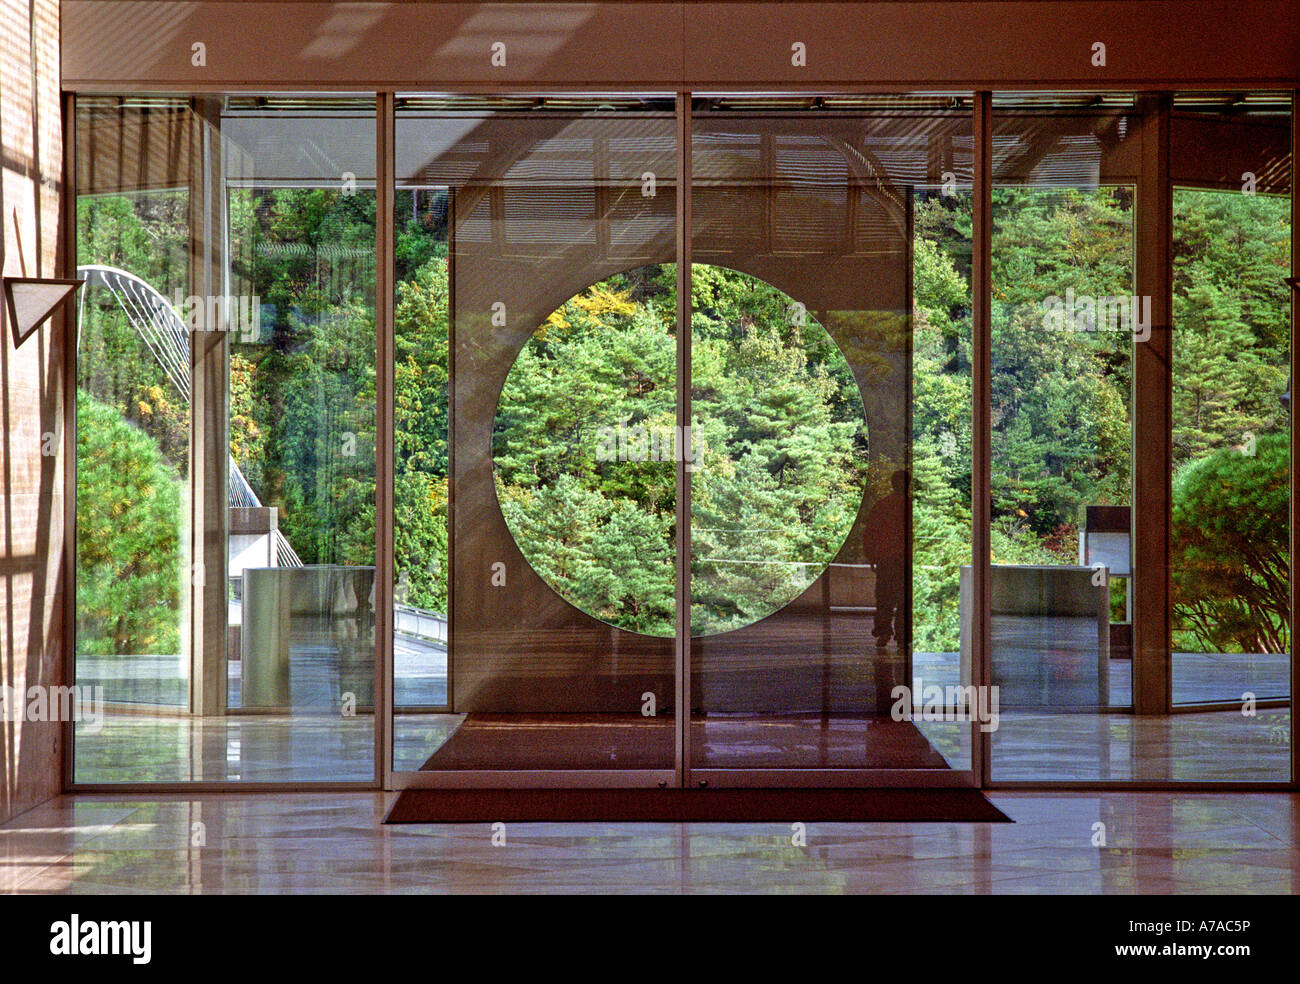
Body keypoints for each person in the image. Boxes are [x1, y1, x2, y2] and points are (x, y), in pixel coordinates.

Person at [862, 469, 909, 650]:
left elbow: (871, 533)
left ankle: (883, 632)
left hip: (886, 559)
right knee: (904, 600)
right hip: (905, 560)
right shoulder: (910, 506)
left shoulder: (882, 505)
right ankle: (903, 636)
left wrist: (872, 556)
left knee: (884, 598)